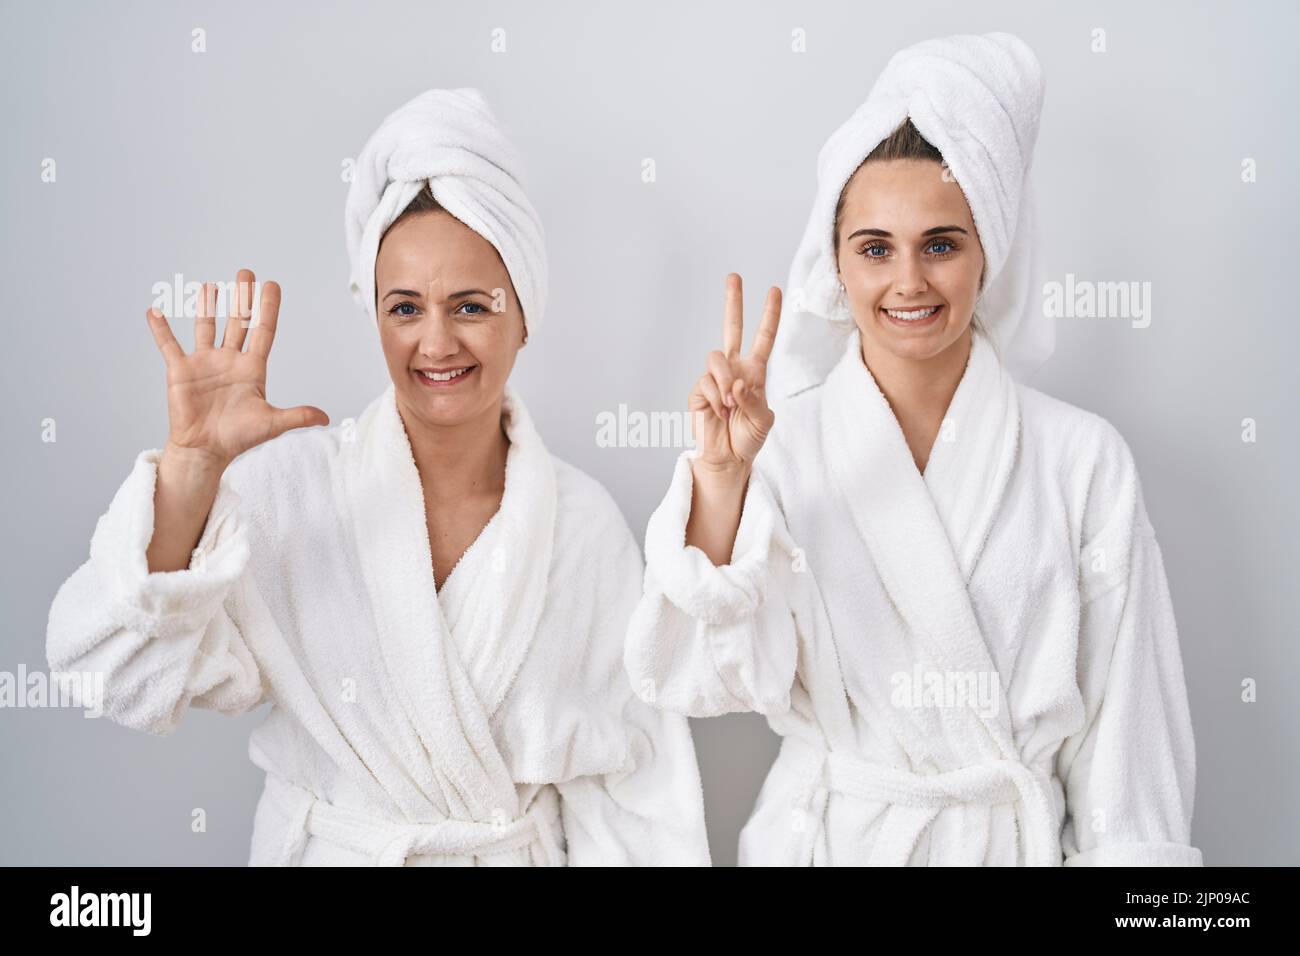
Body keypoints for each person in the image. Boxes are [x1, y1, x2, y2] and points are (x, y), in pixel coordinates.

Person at [47, 88, 711, 866]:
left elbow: (630, 789)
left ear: (523, 316)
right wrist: (191, 474)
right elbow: (106, 675)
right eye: (404, 308)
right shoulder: (293, 489)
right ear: (376, 317)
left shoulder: (582, 525)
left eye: (470, 305)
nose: (436, 341)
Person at [624, 33, 1202, 866]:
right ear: (837, 264)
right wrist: (721, 479)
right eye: (874, 249)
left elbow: (1130, 750)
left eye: (941, 244)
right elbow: (704, 684)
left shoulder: (1083, 462)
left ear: (987, 253)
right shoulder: (783, 446)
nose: (908, 282)